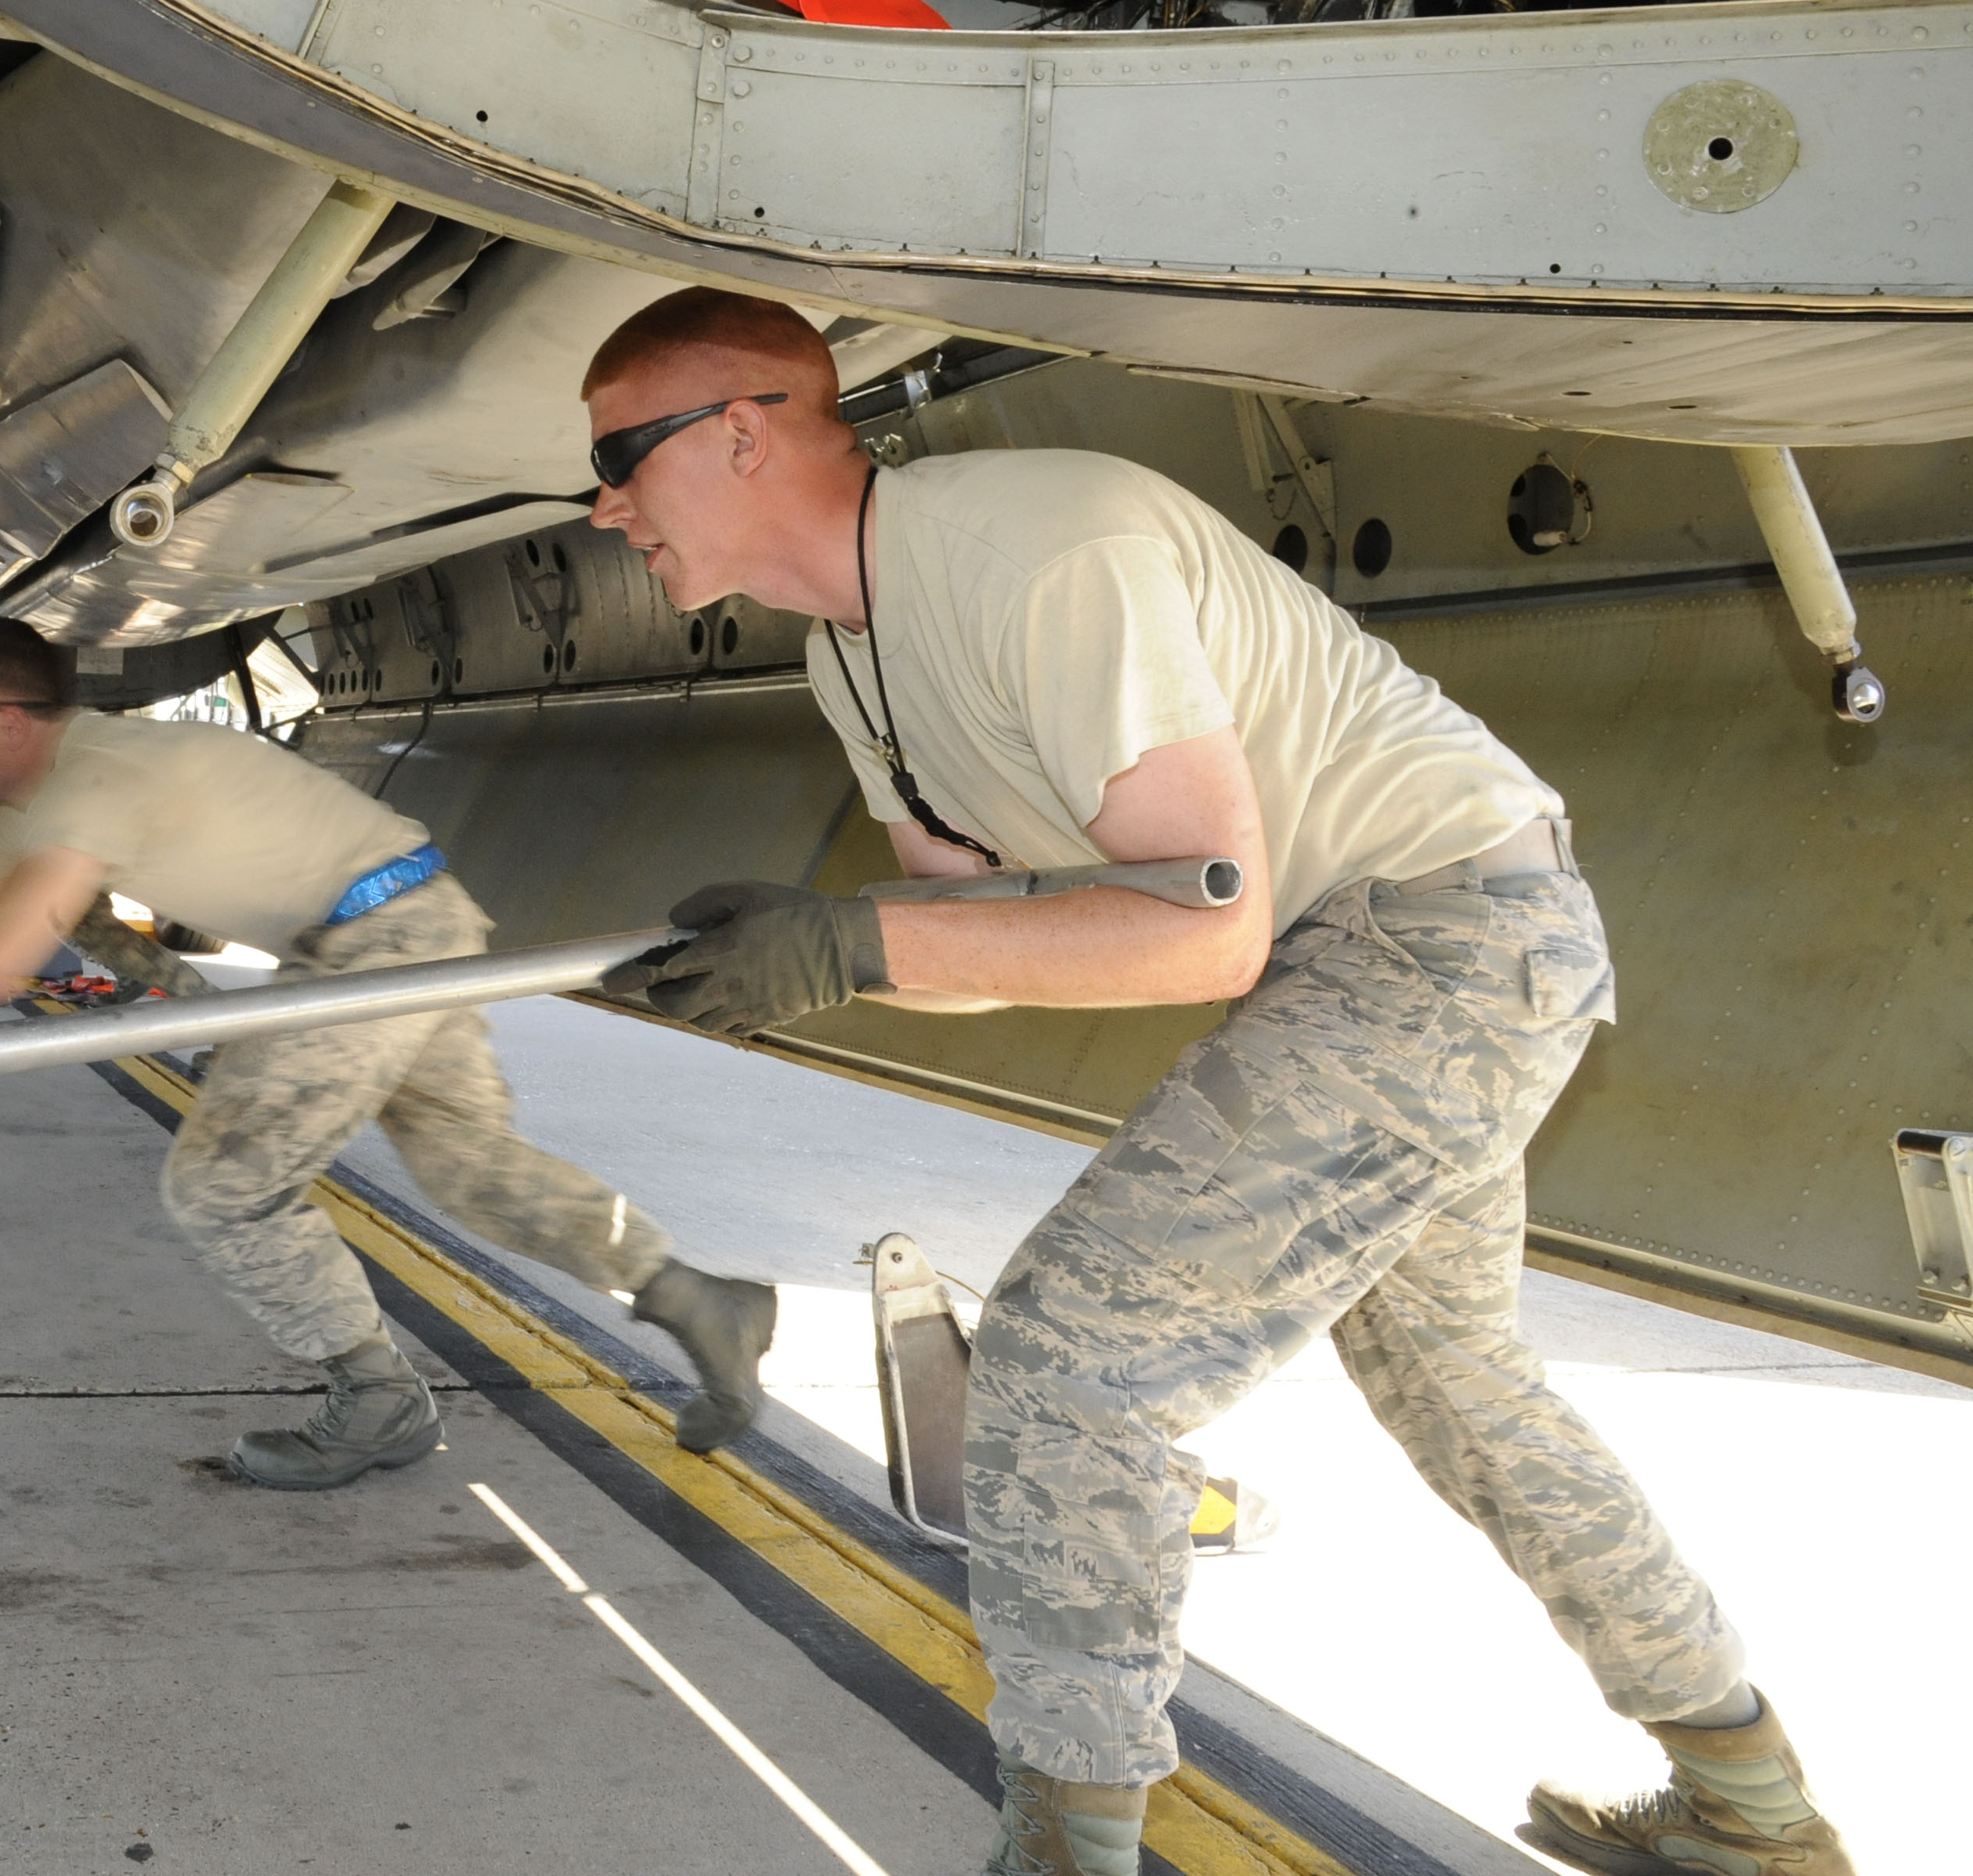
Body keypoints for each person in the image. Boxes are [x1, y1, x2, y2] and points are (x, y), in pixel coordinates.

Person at [576, 288, 1848, 1876]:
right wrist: (803, 959)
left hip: (1432, 935)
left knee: (1069, 1365)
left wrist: (852, 944)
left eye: (620, 457)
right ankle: (1748, 1800)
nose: (603, 506)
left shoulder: (1036, 552)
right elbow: (992, 937)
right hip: (1401, 956)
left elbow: (1208, 922)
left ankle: (1070, 1851)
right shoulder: (854, 657)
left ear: (741, 432)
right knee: (1458, 1388)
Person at [0, 618, 779, 1489]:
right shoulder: (32, 801)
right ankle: (691, 1298)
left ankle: (378, 1397)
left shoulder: (96, 776)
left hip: (376, 940)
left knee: (222, 1186)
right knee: (470, 1164)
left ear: (13, 718)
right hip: (399, 920)